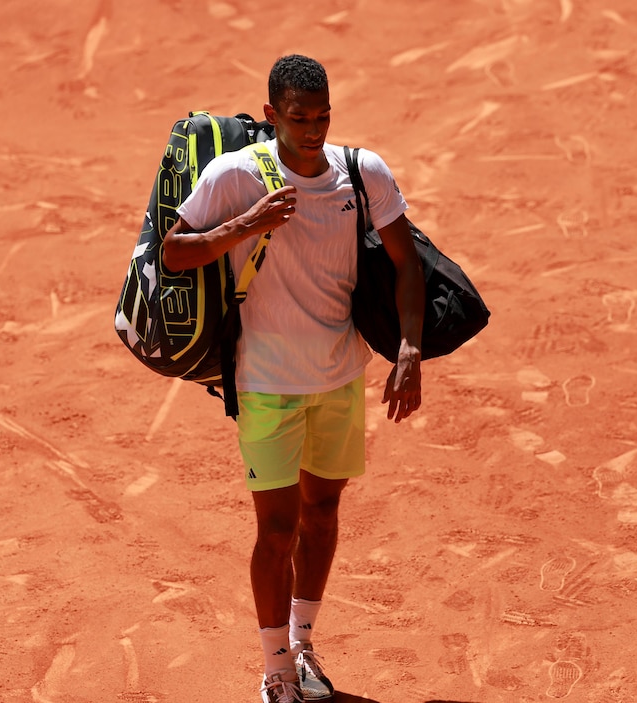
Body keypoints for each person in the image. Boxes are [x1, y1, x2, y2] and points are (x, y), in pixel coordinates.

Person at [162, 55, 425, 703]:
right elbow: (173, 250)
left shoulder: (363, 175)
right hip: (265, 382)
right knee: (277, 529)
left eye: (322, 116)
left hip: (339, 377)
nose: (312, 129)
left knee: (324, 513)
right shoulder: (234, 176)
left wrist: (411, 349)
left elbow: (408, 264)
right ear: (272, 114)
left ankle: (304, 642)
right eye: (298, 118)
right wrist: (247, 224)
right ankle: (276, 666)